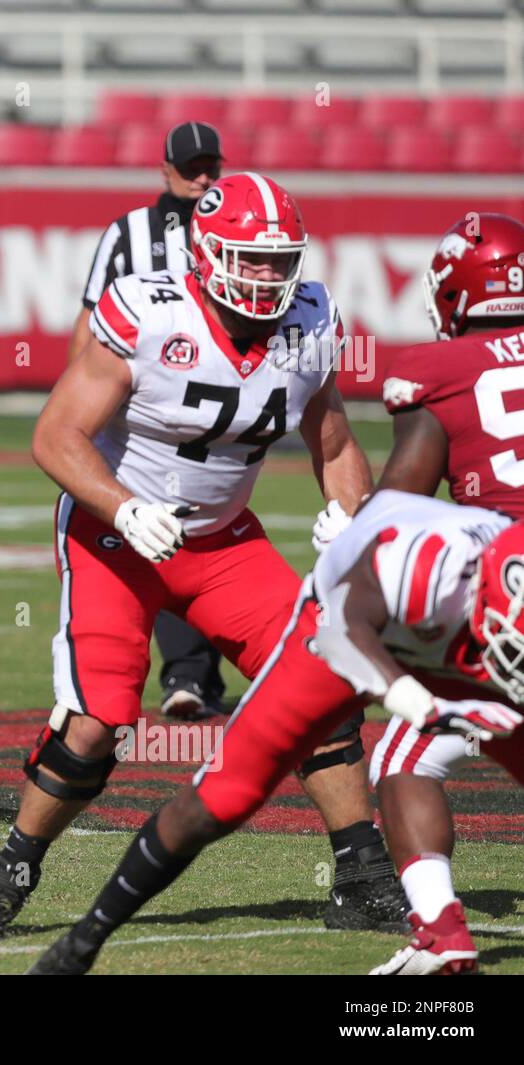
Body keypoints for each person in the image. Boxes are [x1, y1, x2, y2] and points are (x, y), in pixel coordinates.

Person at [0, 172, 408, 943]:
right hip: (114, 539)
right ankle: (14, 864)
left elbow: (333, 440)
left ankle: (360, 874)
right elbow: (55, 436)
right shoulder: (145, 312)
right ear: (205, 251)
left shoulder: (310, 319)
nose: (266, 277)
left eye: (277, 260)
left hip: (224, 543)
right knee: (98, 724)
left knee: (325, 678)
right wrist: (124, 506)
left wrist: (351, 516)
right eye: (249, 259)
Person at [28, 490, 524, 975]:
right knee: (222, 799)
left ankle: (437, 933)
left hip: (454, 640)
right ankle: (86, 937)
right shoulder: (422, 569)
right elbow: (346, 632)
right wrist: (414, 700)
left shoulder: (503, 577)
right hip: (338, 632)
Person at [325, 212, 524, 974]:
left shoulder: (443, 372)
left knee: (408, 756)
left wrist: (352, 537)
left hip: (506, 597)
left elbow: (404, 502)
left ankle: (443, 933)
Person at [70, 120, 226, 722]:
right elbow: (89, 319)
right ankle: (182, 676)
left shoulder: (233, 225)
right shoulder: (129, 233)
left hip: (218, 400)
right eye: (191, 168)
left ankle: (196, 673)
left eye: (211, 165)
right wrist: (74, 405)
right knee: (158, 529)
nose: (203, 177)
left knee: (209, 528)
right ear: (166, 170)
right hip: (143, 401)